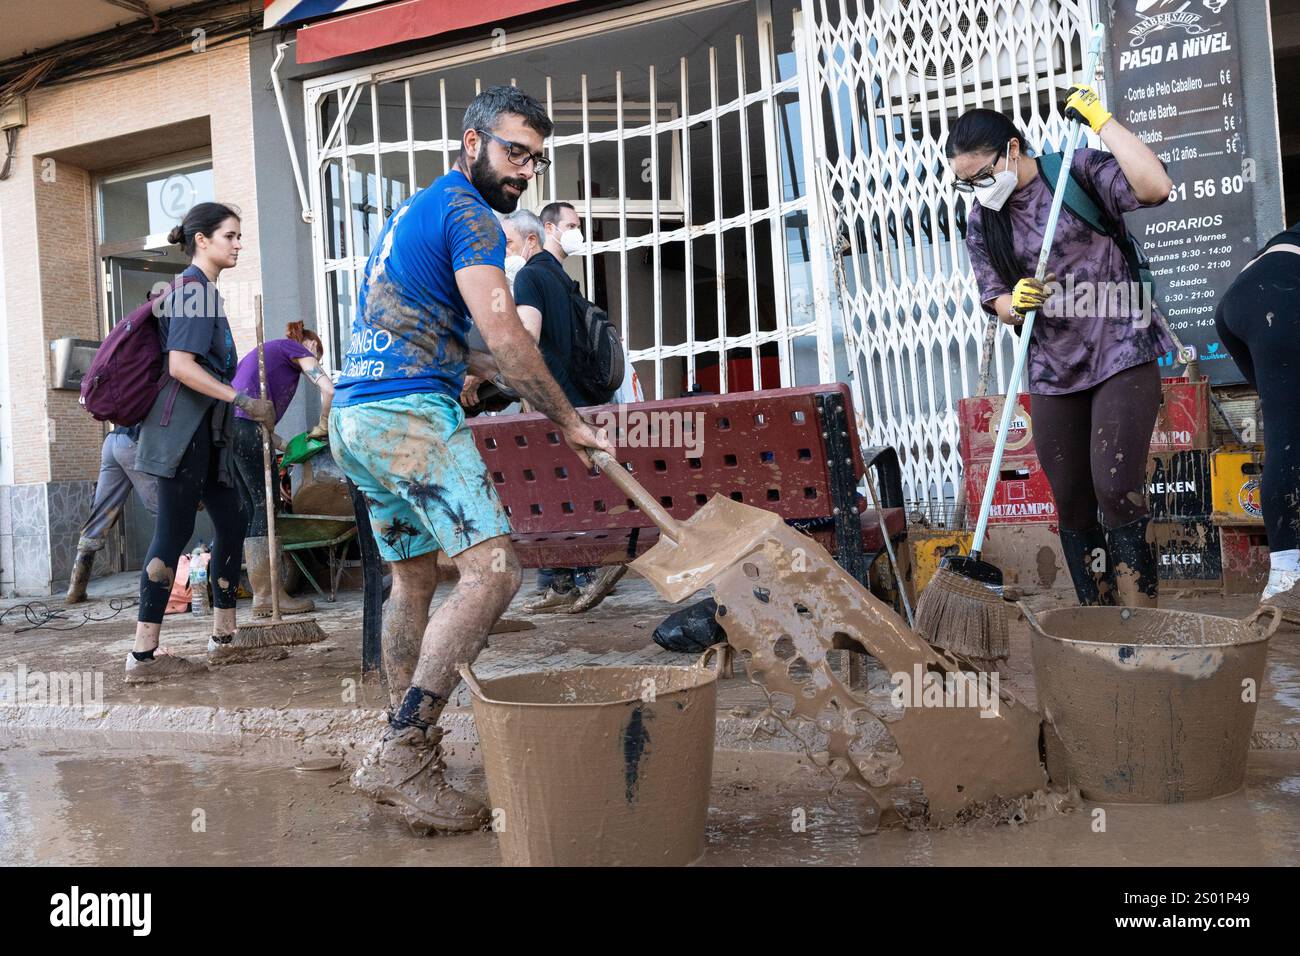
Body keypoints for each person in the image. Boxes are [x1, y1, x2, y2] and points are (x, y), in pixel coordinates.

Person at [329, 85, 611, 834]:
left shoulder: (417, 212)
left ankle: (402, 748)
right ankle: (404, 749)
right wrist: (568, 420)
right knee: (495, 571)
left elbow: (460, 341)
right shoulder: (469, 216)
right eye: (514, 150)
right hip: (405, 416)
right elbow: (510, 337)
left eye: (536, 160)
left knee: (414, 578)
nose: (524, 169)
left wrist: (484, 370)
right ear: (470, 142)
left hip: (357, 416)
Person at [948, 87, 1174, 608]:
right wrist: (1014, 304)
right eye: (966, 183)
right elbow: (993, 296)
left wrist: (1103, 121)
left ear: (1012, 150)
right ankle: (1097, 619)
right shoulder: (982, 219)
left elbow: (1155, 187)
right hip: (1051, 366)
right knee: (1072, 501)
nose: (979, 188)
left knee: (1116, 489)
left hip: (1121, 348)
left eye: (984, 174)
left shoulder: (1076, 170)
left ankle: (1139, 620)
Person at [126, 202, 279, 683]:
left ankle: (224, 639)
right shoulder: (194, 292)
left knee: (232, 521)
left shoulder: (202, 291)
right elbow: (181, 366)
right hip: (181, 434)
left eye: (238, 236)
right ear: (201, 240)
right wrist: (244, 400)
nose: (238, 244)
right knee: (172, 533)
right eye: (230, 236)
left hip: (208, 435)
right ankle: (142, 657)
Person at [501, 202, 627, 614]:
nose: (505, 253)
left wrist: (489, 369)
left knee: (552, 489)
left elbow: (528, 340)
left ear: (532, 239)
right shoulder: (561, 277)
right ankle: (562, 580)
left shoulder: (530, 278)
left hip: (557, 401)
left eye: (509, 244)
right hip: (586, 398)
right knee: (573, 487)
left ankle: (576, 575)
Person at [1214, 224, 1300, 618]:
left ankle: (1286, 580)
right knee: (1290, 438)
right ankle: (1289, 583)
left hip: (1240, 301)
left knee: (1290, 431)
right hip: (1279, 299)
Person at [229, 321, 334, 616]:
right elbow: (329, 391)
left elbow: (258, 428)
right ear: (311, 345)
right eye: (319, 355)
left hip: (230, 429)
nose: (316, 362)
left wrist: (290, 447)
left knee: (254, 510)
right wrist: (324, 424)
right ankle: (268, 596)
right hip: (245, 427)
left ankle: (263, 594)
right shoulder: (295, 348)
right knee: (267, 506)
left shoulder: (271, 354)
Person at [64, 425, 159, 604]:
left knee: (100, 514)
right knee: (165, 512)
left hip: (111, 441)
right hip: (133, 442)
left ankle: (75, 590)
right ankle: (157, 587)